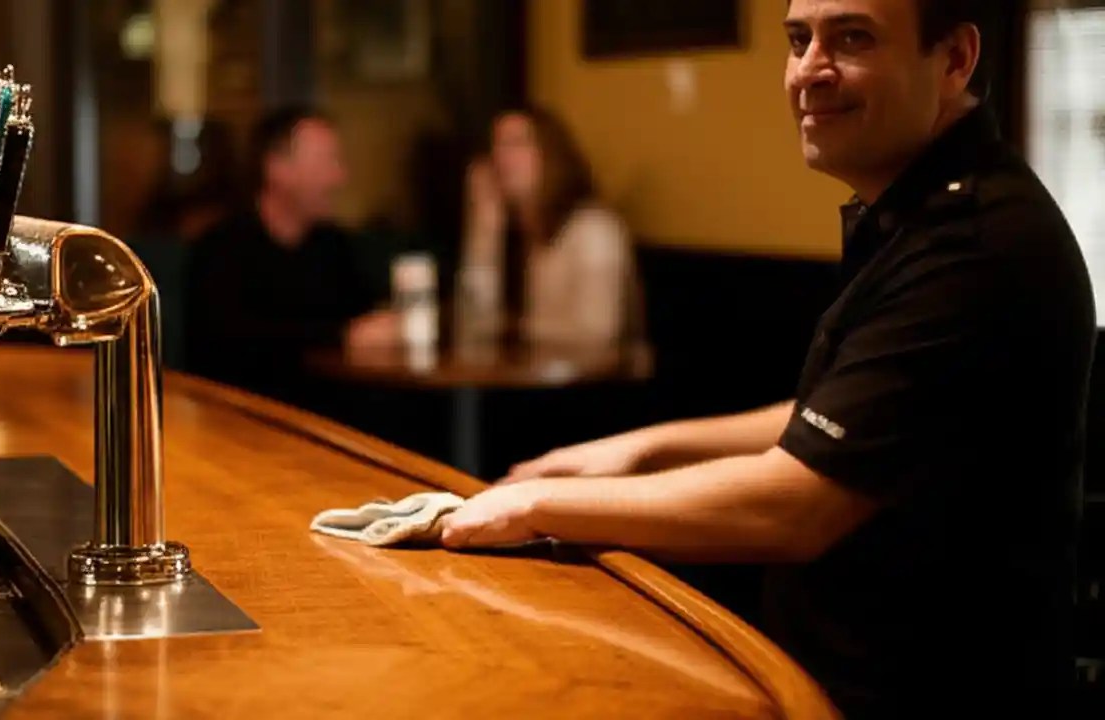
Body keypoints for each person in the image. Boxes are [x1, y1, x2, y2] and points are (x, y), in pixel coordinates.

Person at [439, 1, 1095, 716]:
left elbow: (798, 505)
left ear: (955, 60)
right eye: (797, 38)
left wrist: (540, 506)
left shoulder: (971, 242)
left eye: (852, 37)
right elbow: (860, 417)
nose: (809, 70)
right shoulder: (926, 211)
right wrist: (639, 448)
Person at [184, 107, 398, 407]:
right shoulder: (223, 249)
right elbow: (232, 343)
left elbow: (367, 315)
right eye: (327, 163)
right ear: (277, 169)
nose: (340, 177)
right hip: (244, 420)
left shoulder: (332, 245)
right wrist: (340, 336)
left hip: (333, 415)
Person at [458, 108, 637, 347]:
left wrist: (511, 327)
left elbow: (598, 332)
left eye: (517, 144)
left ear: (551, 155)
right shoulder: (524, 233)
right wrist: (484, 230)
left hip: (600, 379)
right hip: (536, 374)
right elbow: (473, 322)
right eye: (497, 146)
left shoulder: (594, 228)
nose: (501, 157)